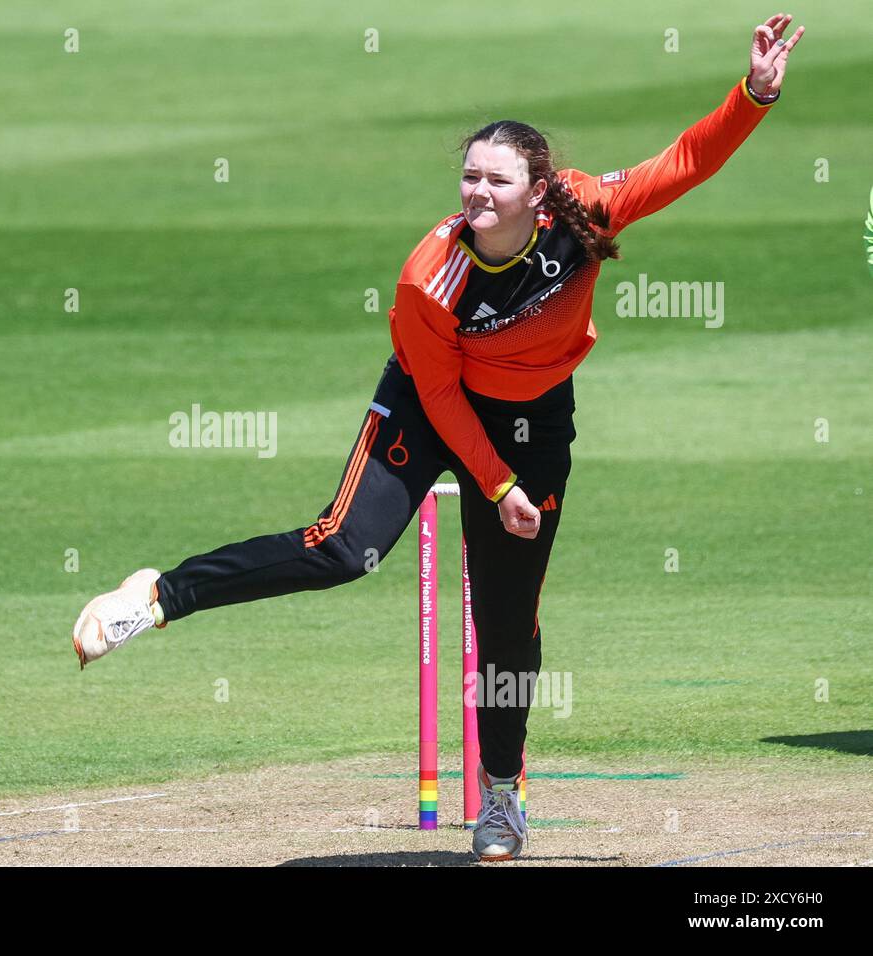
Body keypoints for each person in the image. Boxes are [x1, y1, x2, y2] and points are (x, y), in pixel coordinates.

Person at [70, 14, 803, 861]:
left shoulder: (583, 210)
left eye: (495, 181)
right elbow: (443, 400)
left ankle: (502, 796)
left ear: (536, 190)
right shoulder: (430, 278)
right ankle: (160, 596)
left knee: (506, 622)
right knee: (341, 550)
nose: (477, 194)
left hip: (535, 425)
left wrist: (754, 94)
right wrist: (496, 485)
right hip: (431, 406)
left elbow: (687, 161)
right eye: (468, 178)